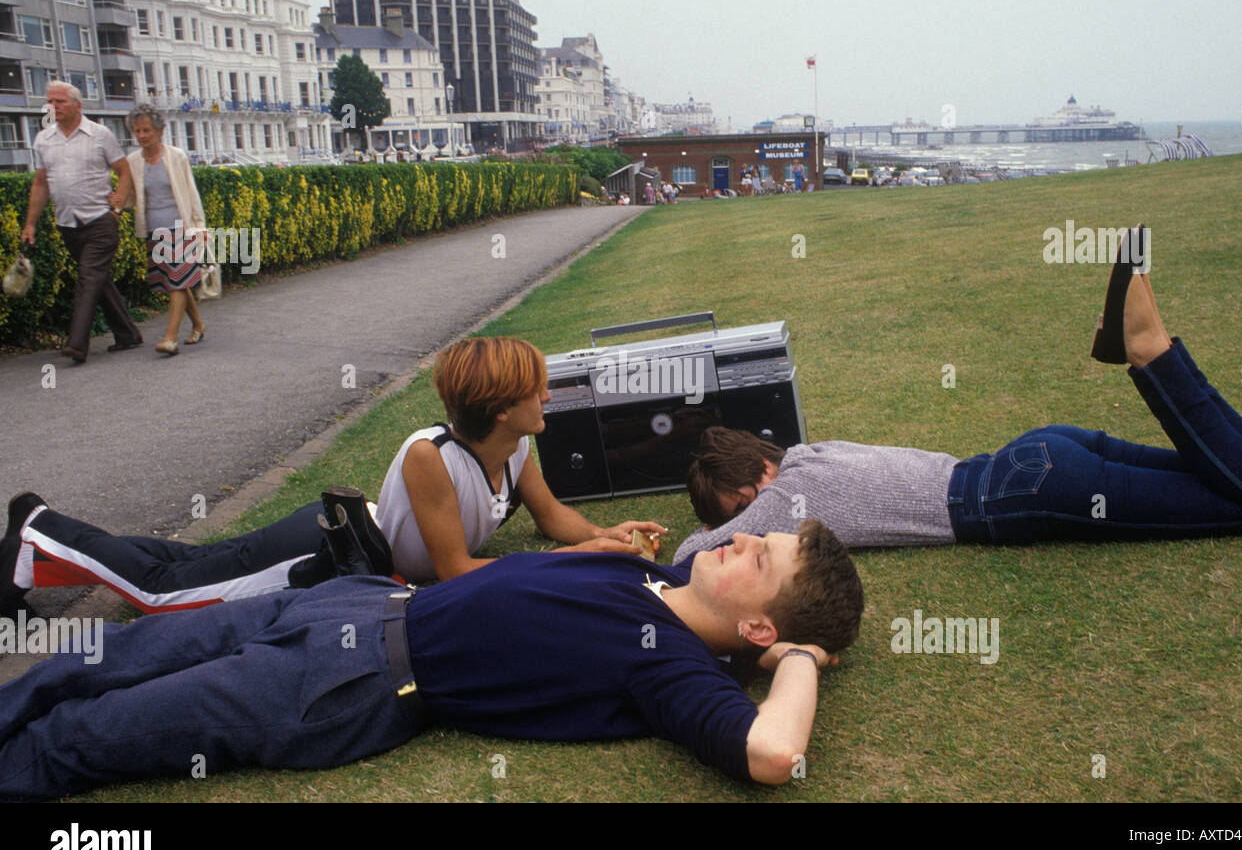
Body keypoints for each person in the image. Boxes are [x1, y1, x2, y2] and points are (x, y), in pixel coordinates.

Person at [0, 519, 863, 801]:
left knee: (92, 732)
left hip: (348, 682)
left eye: (762, 558)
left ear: (757, 631)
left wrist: (802, 658)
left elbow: (771, 754)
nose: (742, 541)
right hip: (349, 603)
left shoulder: (671, 666)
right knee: (103, 654)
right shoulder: (663, 579)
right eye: (756, 535)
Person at [674, 242, 1242, 563]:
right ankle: (1134, 341)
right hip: (1035, 456)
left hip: (1023, 489)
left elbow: (690, 556)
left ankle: (1151, 352)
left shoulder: (789, 501)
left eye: (740, 510)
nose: (746, 531)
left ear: (761, 474)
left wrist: (716, 528)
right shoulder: (811, 456)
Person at [0, 338, 664, 616]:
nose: (546, 399)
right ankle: (40, 533)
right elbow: (457, 571)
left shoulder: (516, 446)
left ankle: (43, 527)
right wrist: (581, 559)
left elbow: (551, 517)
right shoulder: (428, 456)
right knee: (164, 595)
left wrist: (605, 532)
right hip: (321, 554)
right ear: (498, 406)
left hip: (341, 538)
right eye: (538, 390)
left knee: (190, 560)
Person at [21, 82, 140, 364]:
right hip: (68, 225)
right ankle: (128, 335)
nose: (54, 106)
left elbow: (124, 171)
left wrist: (119, 206)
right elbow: (40, 184)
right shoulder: (43, 140)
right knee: (98, 281)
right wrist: (30, 224)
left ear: (78, 105)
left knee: (88, 279)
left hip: (100, 221)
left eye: (60, 101)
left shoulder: (100, 135)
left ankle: (77, 344)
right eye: (50, 101)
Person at [125, 104, 207, 356]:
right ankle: (198, 325)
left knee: (177, 281)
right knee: (177, 283)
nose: (141, 135)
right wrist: (114, 200)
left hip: (182, 228)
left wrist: (200, 226)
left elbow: (191, 192)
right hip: (155, 232)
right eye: (137, 130)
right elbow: (130, 198)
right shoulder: (133, 161)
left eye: (146, 130)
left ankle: (170, 338)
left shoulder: (176, 156)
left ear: (159, 130)